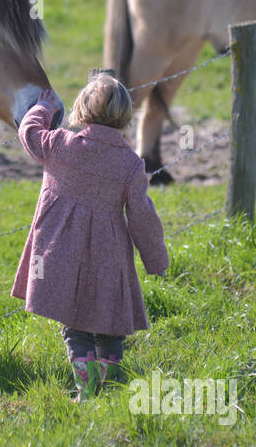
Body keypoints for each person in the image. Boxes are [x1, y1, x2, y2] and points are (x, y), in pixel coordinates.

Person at [10, 70, 169, 401]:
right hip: (110, 257)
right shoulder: (130, 163)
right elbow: (143, 217)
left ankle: (86, 389)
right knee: (111, 325)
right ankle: (110, 389)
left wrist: (43, 106)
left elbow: (29, 133)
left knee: (75, 326)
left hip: (60, 252)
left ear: (81, 110)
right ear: (125, 116)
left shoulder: (60, 145)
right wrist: (156, 259)